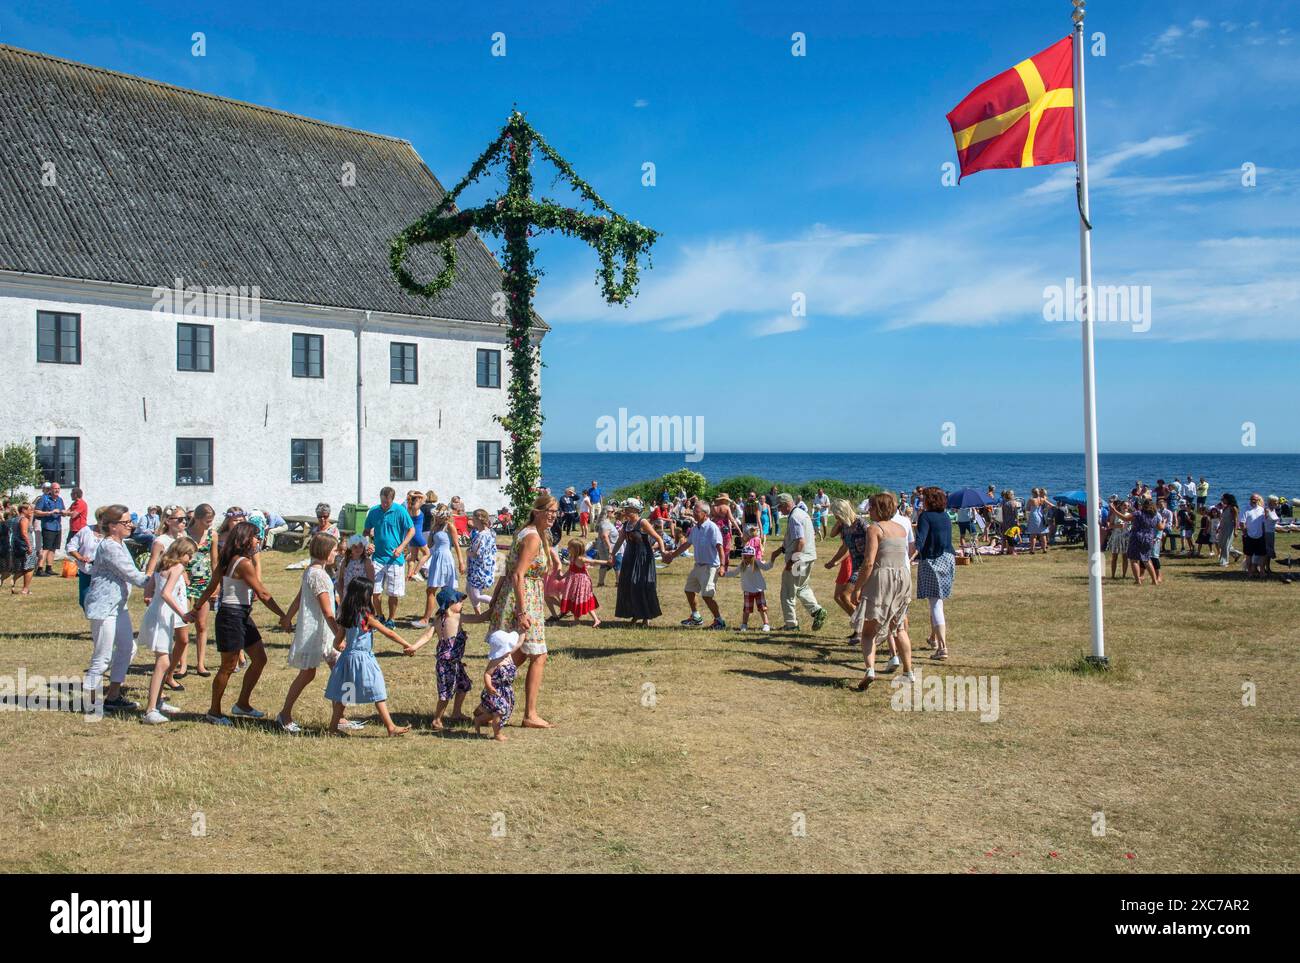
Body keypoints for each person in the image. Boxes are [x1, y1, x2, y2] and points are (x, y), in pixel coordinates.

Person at [189, 521, 288, 726]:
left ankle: (242, 703)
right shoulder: (242, 562)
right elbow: (262, 592)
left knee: (259, 659)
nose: (258, 540)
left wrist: (196, 607)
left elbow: (210, 588)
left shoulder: (228, 558)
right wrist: (283, 616)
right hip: (231, 616)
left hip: (240, 615)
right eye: (255, 536)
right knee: (228, 666)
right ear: (245, 538)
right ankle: (214, 711)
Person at [487, 494, 562, 728]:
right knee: (538, 655)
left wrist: (497, 597)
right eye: (549, 510)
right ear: (537, 511)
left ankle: (488, 704)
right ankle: (529, 714)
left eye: (555, 511)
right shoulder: (532, 537)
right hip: (524, 599)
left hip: (516, 595)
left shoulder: (528, 532)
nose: (553, 515)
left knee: (514, 654)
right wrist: (521, 611)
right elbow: (518, 573)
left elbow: (507, 571)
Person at [326, 576, 415, 736]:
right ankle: (391, 727)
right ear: (364, 596)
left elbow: (336, 642)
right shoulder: (367, 618)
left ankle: (333, 728)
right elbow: (388, 632)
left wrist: (342, 645)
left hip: (347, 660)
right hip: (363, 660)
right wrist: (406, 644)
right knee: (377, 690)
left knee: (345, 695)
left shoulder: (347, 616)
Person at [82, 505, 151, 711]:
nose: (131, 525)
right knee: (101, 658)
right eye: (126, 522)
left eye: (130, 521)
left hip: (119, 606)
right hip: (104, 607)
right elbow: (133, 575)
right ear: (112, 526)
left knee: (128, 648)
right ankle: (88, 702)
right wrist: (158, 578)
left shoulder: (120, 543)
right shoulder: (110, 547)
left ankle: (113, 696)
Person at [275, 533, 343, 733]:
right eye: (334, 550)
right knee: (320, 672)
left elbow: (300, 597)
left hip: (322, 630)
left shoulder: (311, 571)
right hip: (321, 630)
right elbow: (327, 610)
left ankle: (340, 716)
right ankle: (285, 714)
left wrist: (288, 617)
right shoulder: (318, 575)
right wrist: (338, 635)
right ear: (325, 551)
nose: (336, 554)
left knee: (333, 671)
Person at [848, 492, 914, 690]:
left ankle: (870, 669)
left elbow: (868, 562)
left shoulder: (874, 529)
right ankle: (908, 671)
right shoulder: (902, 528)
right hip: (902, 578)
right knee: (899, 627)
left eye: (872, 507)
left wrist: (856, 588)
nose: (869, 511)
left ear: (879, 509)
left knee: (868, 631)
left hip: (882, 578)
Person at [413, 587, 490, 730]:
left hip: (453, 663)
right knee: (445, 693)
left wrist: (414, 647)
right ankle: (436, 720)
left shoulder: (438, 620)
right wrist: (492, 609)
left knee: (463, 685)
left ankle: (456, 712)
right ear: (450, 603)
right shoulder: (456, 617)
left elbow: (427, 636)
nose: (462, 603)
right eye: (460, 601)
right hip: (448, 664)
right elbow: (480, 618)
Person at [137, 536, 195, 724]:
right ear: (182, 553)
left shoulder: (162, 565)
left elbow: (152, 589)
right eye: (189, 555)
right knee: (163, 662)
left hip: (157, 613)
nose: (190, 559)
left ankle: (158, 700)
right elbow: (165, 593)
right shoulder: (177, 567)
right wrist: (183, 614)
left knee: (164, 659)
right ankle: (150, 709)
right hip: (163, 615)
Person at [169, 504, 218, 684]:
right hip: (185, 581)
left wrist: (216, 583)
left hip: (204, 581)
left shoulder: (212, 535)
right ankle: (182, 664)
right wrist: (182, 574)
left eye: (211, 521)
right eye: (206, 521)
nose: (209, 524)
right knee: (183, 623)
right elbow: (176, 557)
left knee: (202, 624)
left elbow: (214, 561)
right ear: (196, 518)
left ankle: (200, 663)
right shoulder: (184, 535)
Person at [662, 501, 726, 630]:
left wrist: (723, 566)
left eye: (696, 512)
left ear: (705, 514)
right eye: (694, 511)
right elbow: (686, 544)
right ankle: (696, 617)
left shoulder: (712, 528)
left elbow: (720, 547)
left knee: (707, 595)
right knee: (689, 590)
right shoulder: (695, 528)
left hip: (710, 567)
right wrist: (672, 556)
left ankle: (719, 621)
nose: (693, 514)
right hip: (698, 566)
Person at [770, 493, 827, 632]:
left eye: (780, 507)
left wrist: (791, 562)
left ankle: (791, 624)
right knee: (802, 587)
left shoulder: (794, 517)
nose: (779, 510)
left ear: (787, 504)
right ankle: (817, 610)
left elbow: (800, 541)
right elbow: (795, 539)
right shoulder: (802, 514)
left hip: (799, 560)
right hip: (808, 557)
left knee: (788, 592)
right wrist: (780, 550)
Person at [362, 486, 416, 628]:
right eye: (382, 501)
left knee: (393, 592)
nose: (384, 504)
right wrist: (368, 543)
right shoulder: (374, 511)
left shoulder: (400, 511)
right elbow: (366, 531)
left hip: (395, 559)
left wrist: (402, 547)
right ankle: (379, 615)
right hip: (378, 558)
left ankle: (391, 619)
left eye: (387, 502)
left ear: (392, 500)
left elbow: (412, 530)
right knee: (374, 590)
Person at [915, 486, 956, 661]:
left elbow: (920, 541)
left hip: (932, 561)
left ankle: (943, 647)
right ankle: (933, 638)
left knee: (935, 604)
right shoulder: (945, 516)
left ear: (928, 500)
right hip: (948, 559)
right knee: (937, 601)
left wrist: (908, 556)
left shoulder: (925, 516)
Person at [612, 498, 666, 627]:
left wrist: (663, 552)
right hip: (629, 557)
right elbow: (620, 541)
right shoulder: (626, 525)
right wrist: (612, 554)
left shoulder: (643, 522)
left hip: (643, 558)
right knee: (628, 585)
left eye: (627, 509)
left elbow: (658, 537)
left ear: (634, 510)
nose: (624, 511)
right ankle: (635, 614)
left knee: (641, 585)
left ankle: (646, 616)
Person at [413, 506, 464, 627]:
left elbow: (456, 544)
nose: (437, 518)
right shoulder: (436, 527)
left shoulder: (449, 526)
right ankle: (432, 618)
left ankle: (431, 618)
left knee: (444, 589)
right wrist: (432, 531)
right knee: (431, 589)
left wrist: (461, 562)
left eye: (439, 516)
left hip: (445, 558)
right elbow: (430, 544)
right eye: (436, 516)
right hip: (436, 558)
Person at [824, 499, 868, 633]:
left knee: (845, 596)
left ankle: (861, 627)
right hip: (856, 566)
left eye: (837, 514)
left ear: (842, 512)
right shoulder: (844, 526)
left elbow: (874, 542)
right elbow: (844, 546)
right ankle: (861, 628)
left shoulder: (861, 523)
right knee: (851, 598)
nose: (835, 517)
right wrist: (833, 561)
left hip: (865, 566)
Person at [475, 629, 523, 741]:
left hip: (506, 691)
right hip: (495, 691)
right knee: (500, 712)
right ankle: (497, 734)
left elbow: (519, 643)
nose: (512, 647)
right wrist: (489, 686)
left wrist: (523, 631)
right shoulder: (496, 661)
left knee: (496, 713)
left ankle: (479, 719)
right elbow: (487, 674)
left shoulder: (509, 656)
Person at [557, 538, 610, 626]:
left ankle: (596, 620)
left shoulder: (581, 559)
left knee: (583, 600)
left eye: (569, 547)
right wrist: (562, 576)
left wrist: (607, 562)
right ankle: (576, 620)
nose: (567, 548)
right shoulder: (572, 557)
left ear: (575, 549)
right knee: (573, 601)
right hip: (573, 583)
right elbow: (570, 570)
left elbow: (594, 561)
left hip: (581, 583)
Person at [1113, 498, 1162, 587]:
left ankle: (1137, 580)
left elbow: (1125, 518)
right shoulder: (1155, 516)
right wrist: (1165, 522)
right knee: (1147, 559)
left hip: (1137, 537)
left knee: (1134, 559)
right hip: (1149, 538)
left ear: (1143, 505)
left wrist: (1114, 510)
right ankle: (1154, 580)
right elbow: (1160, 527)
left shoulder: (1138, 513)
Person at [65, 506, 103, 609]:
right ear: (98, 519)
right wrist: (80, 557)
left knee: (100, 601)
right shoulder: (86, 531)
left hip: (104, 573)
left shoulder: (112, 534)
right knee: (84, 600)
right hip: (86, 570)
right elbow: (70, 547)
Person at [32, 481, 70, 576]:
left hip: (57, 526)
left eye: (58, 489)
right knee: (46, 548)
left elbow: (62, 511)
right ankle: (39, 569)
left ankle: (49, 568)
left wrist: (64, 513)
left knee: (53, 548)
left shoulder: (60, 500)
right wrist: (49, 512)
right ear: (51, 489)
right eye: (55, 488)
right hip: (48, 527)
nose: (57, 490)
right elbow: (36, 512)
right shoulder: (44, 499)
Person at [735, 541, 774, 632]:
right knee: (747, 609)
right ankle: (744, 624)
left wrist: (772, 559)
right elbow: (733, 573)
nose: (747, 559)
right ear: (742, 556)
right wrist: (723, 573)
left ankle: (766, 624)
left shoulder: (757, 563)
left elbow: (766, 567)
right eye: (745, 557)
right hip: (748, 591)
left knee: (762, 608)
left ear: (753, 557)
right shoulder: (742, 565)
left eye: (749, 557)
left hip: (758, 590)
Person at [465, 509, 498, 612]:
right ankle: (478, 614)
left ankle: (497, 605)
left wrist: (468, 553)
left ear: (478, 519)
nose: (472, 520)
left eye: (473, 518)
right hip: (478, 568)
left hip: (479, 569)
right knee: (469, 589)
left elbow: (479, 554)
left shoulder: (483, 535)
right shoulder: (487, 533)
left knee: (476, 595)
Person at [337, 534, 376, 602]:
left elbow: (371, 582)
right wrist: (341, 595)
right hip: (347, 595)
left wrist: (368, 597)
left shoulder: (366, 562)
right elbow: (341, 579)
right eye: (355, 547)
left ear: (364, 547)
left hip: (361, 596)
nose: (358, 549)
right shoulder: (345, 561)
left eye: (360, 546)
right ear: (350, 547)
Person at [1240, 494, 1268, 578]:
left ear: (1258, 500)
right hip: (1249, 536)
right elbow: (1242, 523)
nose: (1254, 500)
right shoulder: (1245, 509)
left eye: (1255, 499)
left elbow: (1263, 523)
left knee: (1262, 554)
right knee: (1249, 555)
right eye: (1252, 499)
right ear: (1250, 500)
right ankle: (1250, 572)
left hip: (1260, 536)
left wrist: (1264, 534)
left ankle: (1262, 571)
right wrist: (1245, 533)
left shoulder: (1261, 509)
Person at [594, 506, 619, 587]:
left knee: (604, 565)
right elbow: (605, 536)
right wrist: (610, 549)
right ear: (607, 513)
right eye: (612, 511)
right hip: (609, 547)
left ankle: (600, 583)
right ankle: (619, 583)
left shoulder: (606, 522)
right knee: (618, 563)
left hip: (603, 547)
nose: (614, 512)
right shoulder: (606, 523)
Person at [404, 491, 428, 580]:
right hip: (417, 534)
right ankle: (415, 573)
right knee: (427, 553)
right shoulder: (416, 507)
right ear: (417, 499)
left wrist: (412, 495)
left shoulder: (408, 508)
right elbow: (425, 496)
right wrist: (415, 494)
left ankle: (408, 576)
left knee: (413, 557)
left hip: (411, 534)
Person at [1216, 493, 1239, 568]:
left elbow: (1235, 520)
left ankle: (1224, 562)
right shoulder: (1225, 507)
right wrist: (1219, 527)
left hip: (1230, 527)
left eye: (1223, 499)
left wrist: (1235, 530)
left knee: (1226, 544)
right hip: (1223, 527)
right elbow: (1223, 518)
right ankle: (1236, 554)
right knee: (1220, 543)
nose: (1222, 500)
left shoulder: (1233, 508)